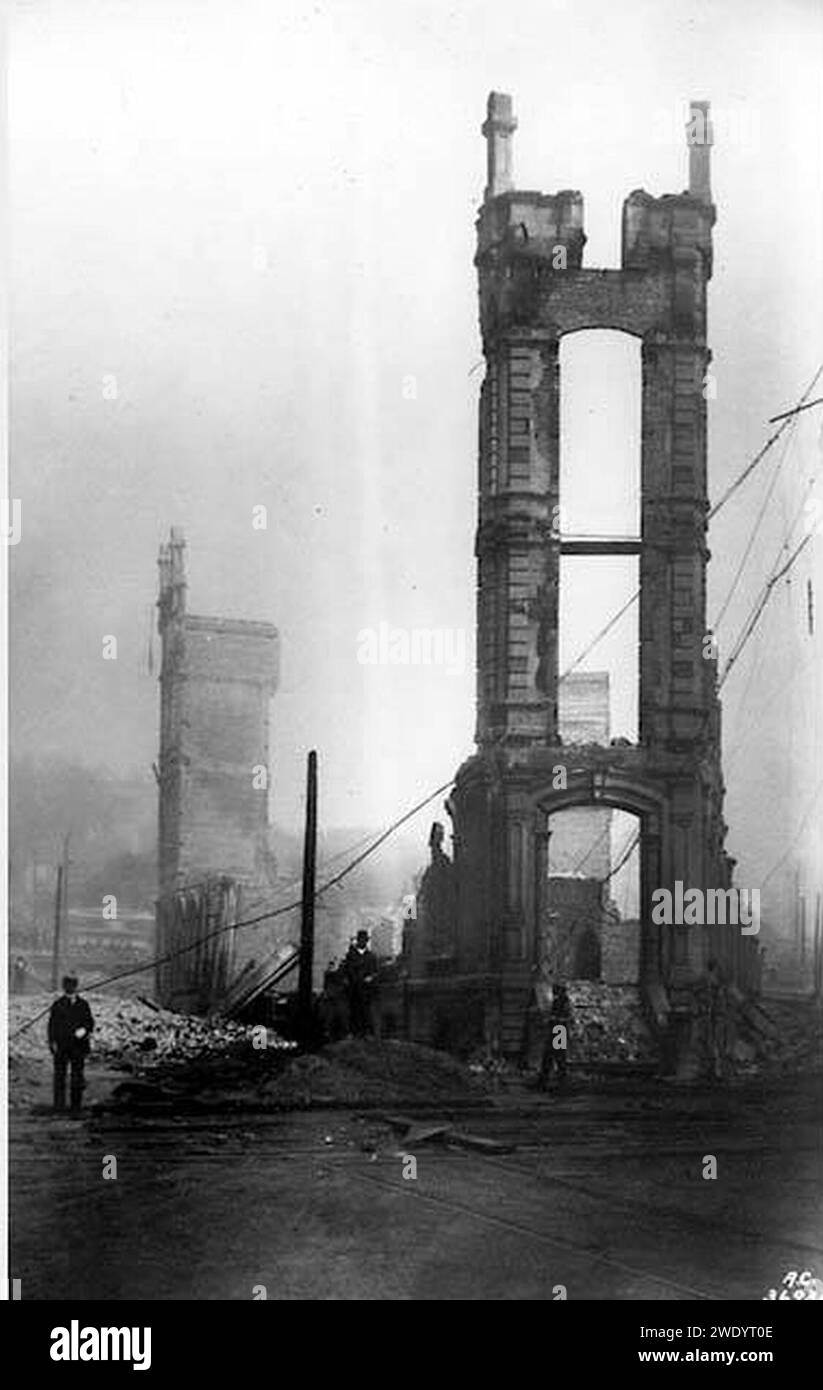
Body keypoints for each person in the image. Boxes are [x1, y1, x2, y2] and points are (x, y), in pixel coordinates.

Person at [48, 974, 94, 1113]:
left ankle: (76, 1107)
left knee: (77, 1077)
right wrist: (52, 1042)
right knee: (59, 1077)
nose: (69, 987)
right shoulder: (58, 1004)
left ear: (75, 986)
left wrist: (83, 1031)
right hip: (62, 1046)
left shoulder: (83, 1004)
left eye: (72, 984)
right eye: (67, 984)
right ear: (63, 987)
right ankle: (59, 1106)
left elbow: (89, 1022)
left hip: (78, 1047)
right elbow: (52, 1026)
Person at [343, 930, 378, 1038]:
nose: (362, 942)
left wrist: (370, 977)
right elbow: (347, 970)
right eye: (361, 939)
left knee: (366, 1011)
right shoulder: (351, 955)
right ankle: (353, 1032)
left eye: (364, 940)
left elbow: (375, 971)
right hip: (354, 988)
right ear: (358, 940)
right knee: (354, 1010)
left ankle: (366, 1032)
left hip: (366, 989)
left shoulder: (371, 956)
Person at [538, 982, 572, 1089]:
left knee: (554, 1055)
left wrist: (550, 1020)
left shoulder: (560, 1001)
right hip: (559, 1030)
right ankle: (554, 1079)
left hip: (558, 1030)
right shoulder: (562, 1001)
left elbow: (561, 1017)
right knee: (555, 1056)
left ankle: (555, 1080)